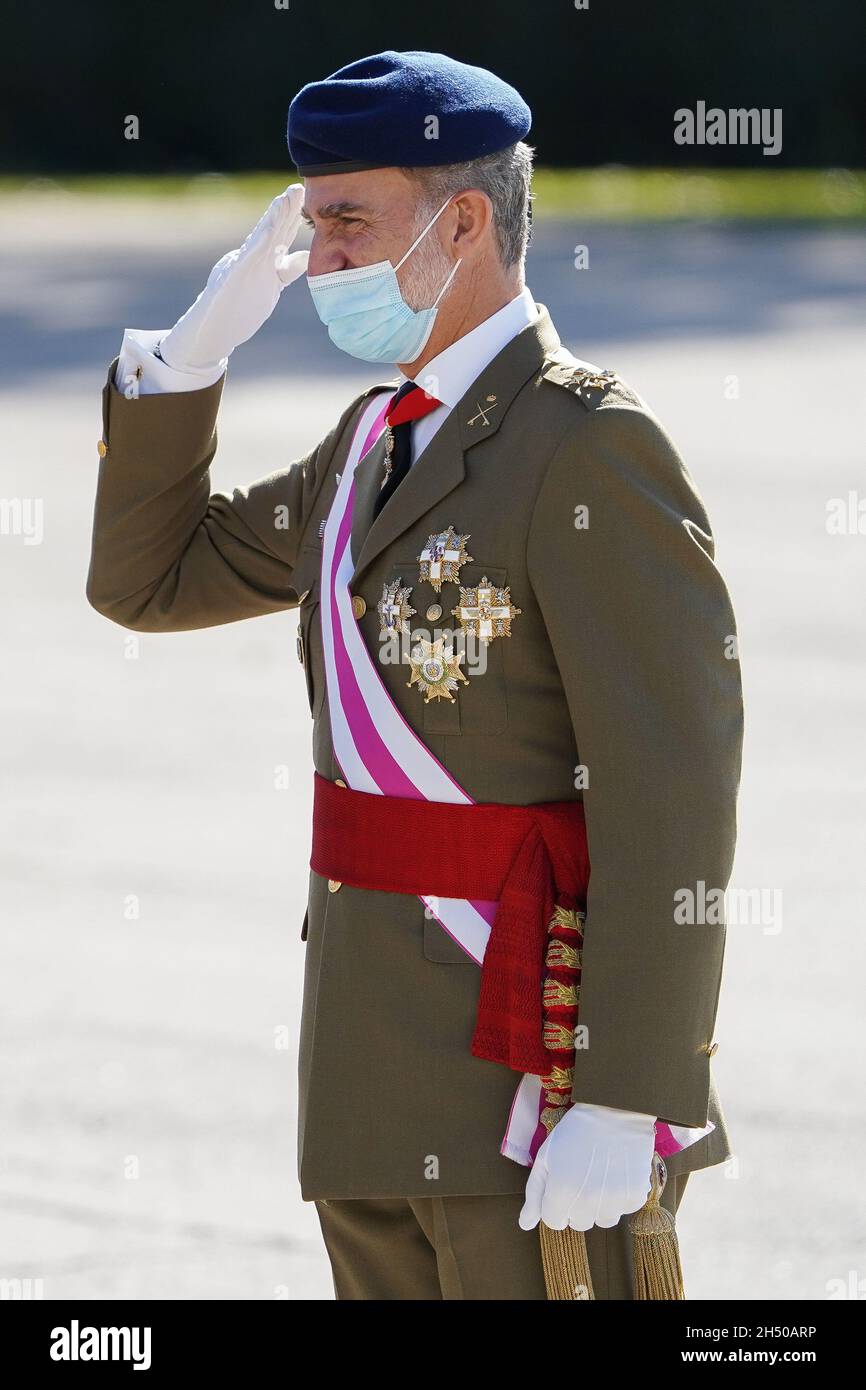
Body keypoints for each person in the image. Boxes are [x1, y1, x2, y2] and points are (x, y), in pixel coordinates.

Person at [87, 50, 743, 1300]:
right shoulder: (370, 442)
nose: (317, 259)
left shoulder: (587, 447)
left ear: (462, 221)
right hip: (366, 1066)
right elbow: (147, 580)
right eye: (308, 221)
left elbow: (674, 790)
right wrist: (187, 358)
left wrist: (630, 1092)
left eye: (346, 222)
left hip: (530, 1074)